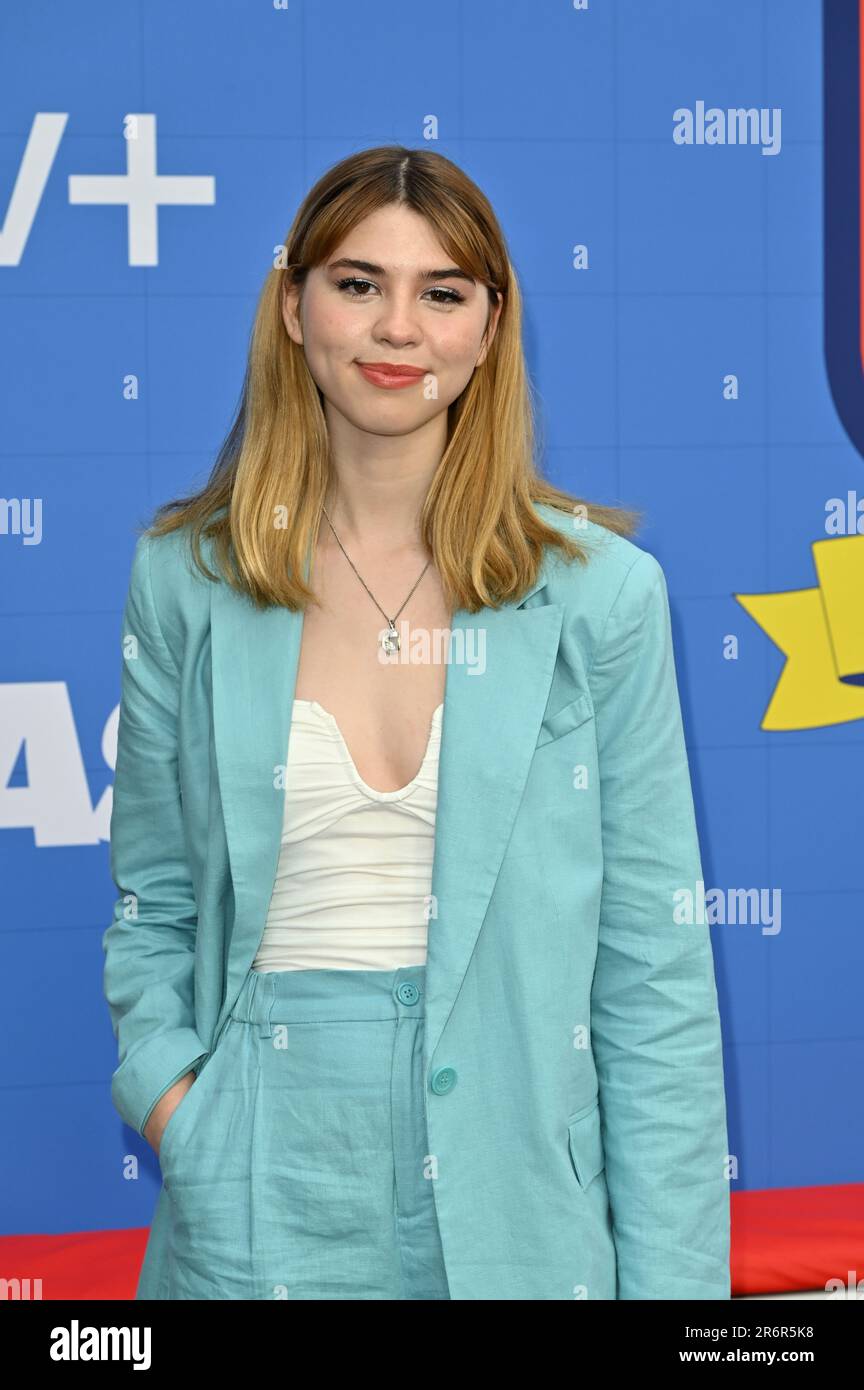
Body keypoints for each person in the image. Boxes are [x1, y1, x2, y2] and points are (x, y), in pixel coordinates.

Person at [102, 144, 730, 1300]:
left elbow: (654, 978)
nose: (398, 328)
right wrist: (179, 1104)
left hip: (518, 1193)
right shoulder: (184, 580)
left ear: (490, 328)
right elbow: (153, 901)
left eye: (442, 292)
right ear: (293, 306)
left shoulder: (602, 596)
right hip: (251, 1183)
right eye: (358, 284)